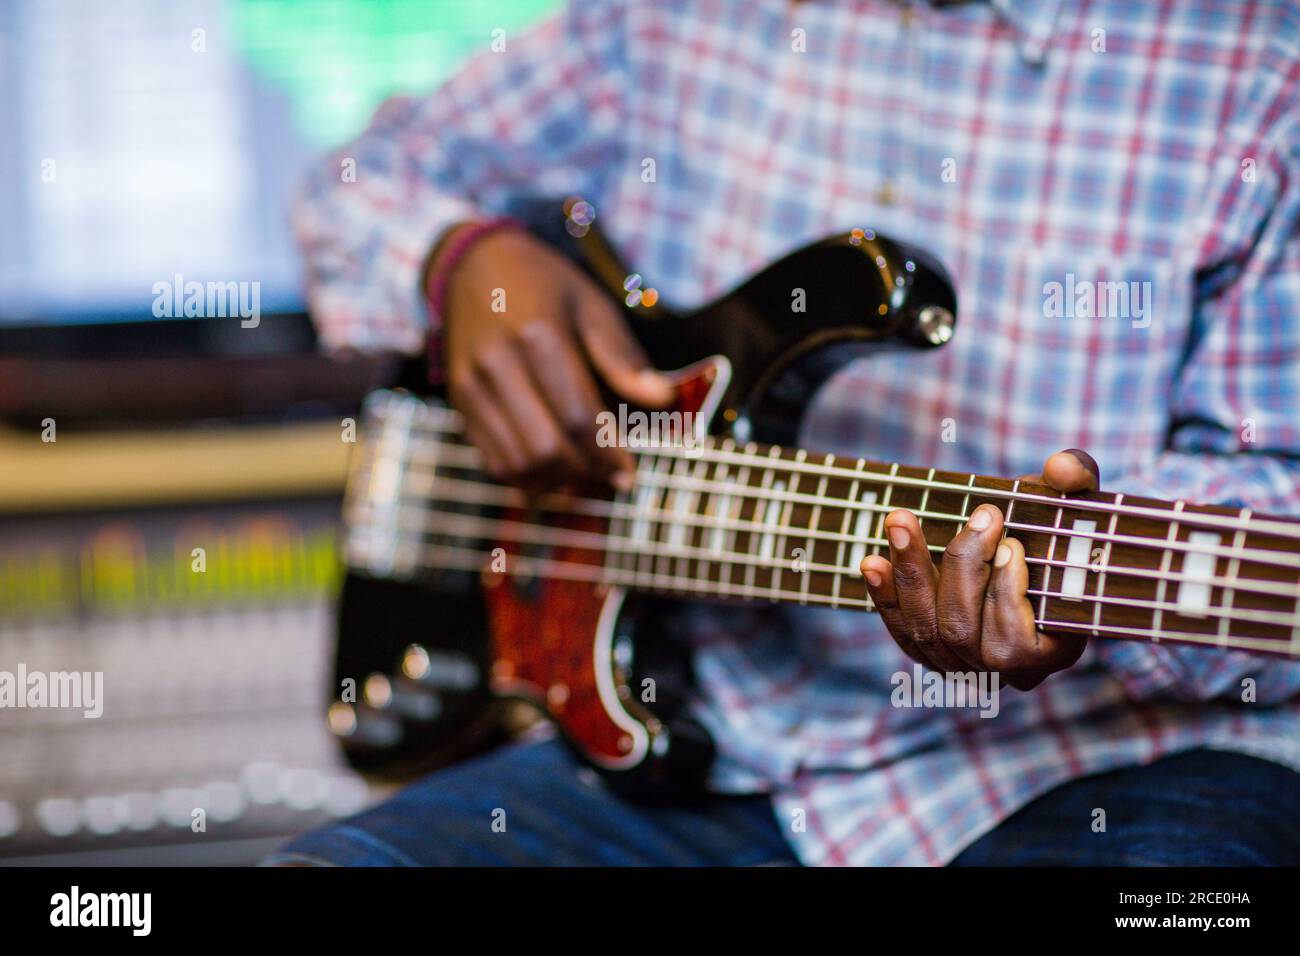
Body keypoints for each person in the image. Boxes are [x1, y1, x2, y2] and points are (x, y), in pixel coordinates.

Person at [267, 0, 1300, 865]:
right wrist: (461, 260)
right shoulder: (666, 16)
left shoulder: (1262, 66)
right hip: (712, 739)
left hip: (1104, 764)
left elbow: (1275, 478)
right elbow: (359, 179)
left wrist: (1064, 599)